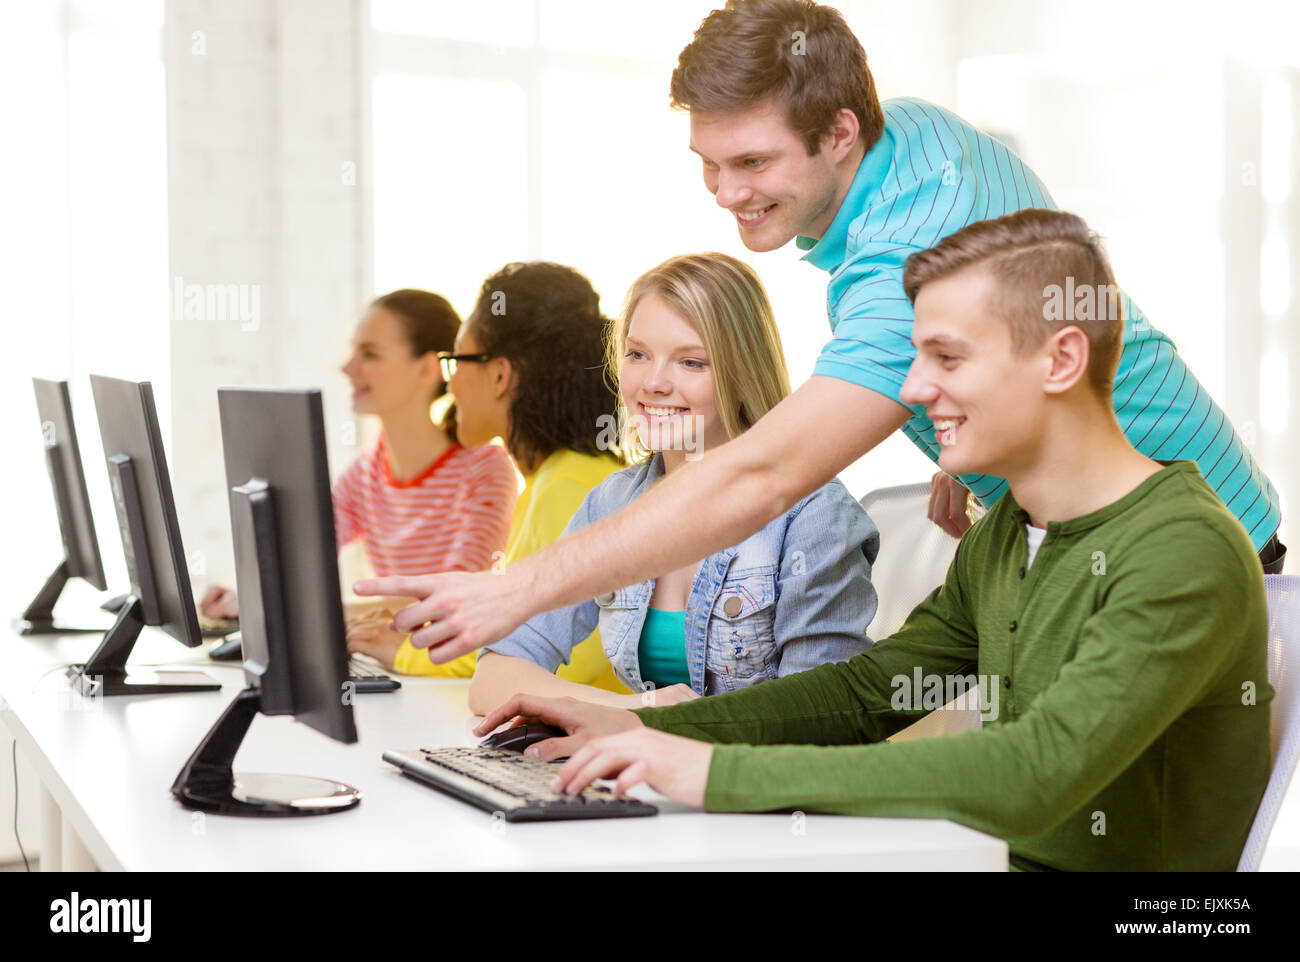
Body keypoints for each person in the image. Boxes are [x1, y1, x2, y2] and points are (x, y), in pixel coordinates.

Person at [353, 0, 1283, 667]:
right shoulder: (912, 132)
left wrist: (518, 587)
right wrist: (968, 454)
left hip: (1191, 546)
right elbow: (1016, 307)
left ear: (840, 132)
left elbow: (763, 474)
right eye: (708, 165)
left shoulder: (900, 257)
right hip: (1098, 531)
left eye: (752, 162)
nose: (725, 196)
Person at [473, 210, 1273, 873]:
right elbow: (866, 695)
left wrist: (714, 771)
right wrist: (646, 731)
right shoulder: (1005, 540)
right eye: (917, 355)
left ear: (1061, 359)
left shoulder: (1182, 547)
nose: (914, 390)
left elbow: (1036, 772)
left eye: (946, 357)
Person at [469, 253, 878, 713]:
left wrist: (669, 730)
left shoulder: (814, 512)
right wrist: (636, 715)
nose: (654, 383)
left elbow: (818, 715)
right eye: (638, 354)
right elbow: (493, 676)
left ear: (742, 375)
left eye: (691, 362)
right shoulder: (612, 501)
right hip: (647, 773)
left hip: (757, 780)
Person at [346, 263, 629, 690]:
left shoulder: (572, 490)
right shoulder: (548, 481)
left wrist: (407, 653)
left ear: (499, 376)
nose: (451, 384)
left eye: (456, 361)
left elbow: (544, 660)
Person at [199, 288, 517, 623]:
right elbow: (301, 557)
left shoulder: (486, 470)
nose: (348, 367)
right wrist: (244, 597)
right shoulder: (364, 474)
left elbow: (453, 600)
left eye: (370, 354)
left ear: (426, 370)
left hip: (451, 671)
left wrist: (311, 616)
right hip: (395, 662)